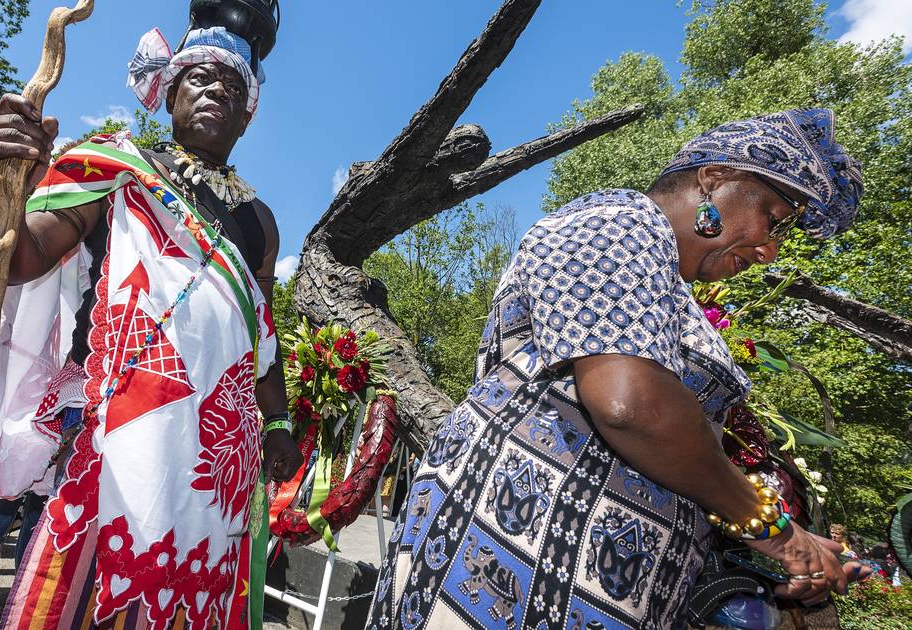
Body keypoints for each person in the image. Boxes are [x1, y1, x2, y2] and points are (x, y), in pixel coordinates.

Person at [367, 109, 871, 630]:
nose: (770, 251)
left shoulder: (669, 288)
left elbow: (679, 451)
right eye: (774, 219)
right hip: (505, 574)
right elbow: (632, 404)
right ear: (714, 179)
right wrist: (778, 534)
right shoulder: (617, 221)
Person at [0, 23, 301, 629]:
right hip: (114, 434)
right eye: (199, 78)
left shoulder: (259, 222)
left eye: (232, 87)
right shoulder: (120, 167)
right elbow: (17, 258)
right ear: (167, 93)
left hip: (214, 456)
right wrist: (4, 183)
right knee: (92, 593)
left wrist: (277, 425)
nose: (216, 93)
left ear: (247, 117)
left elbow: (263, 337)